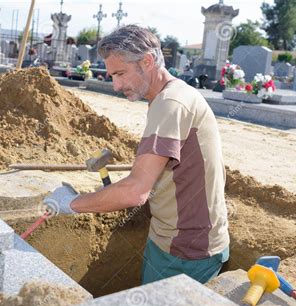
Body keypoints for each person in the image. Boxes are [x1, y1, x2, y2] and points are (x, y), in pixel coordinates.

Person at [43, 25, 229, 285]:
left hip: (186, 251)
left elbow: (135, 192)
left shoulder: (170, 104)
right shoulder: (169, 96)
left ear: (148, 61)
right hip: (170, 239)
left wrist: (71, 203)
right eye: (112, 76)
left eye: (120, 73)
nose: (116, 85)